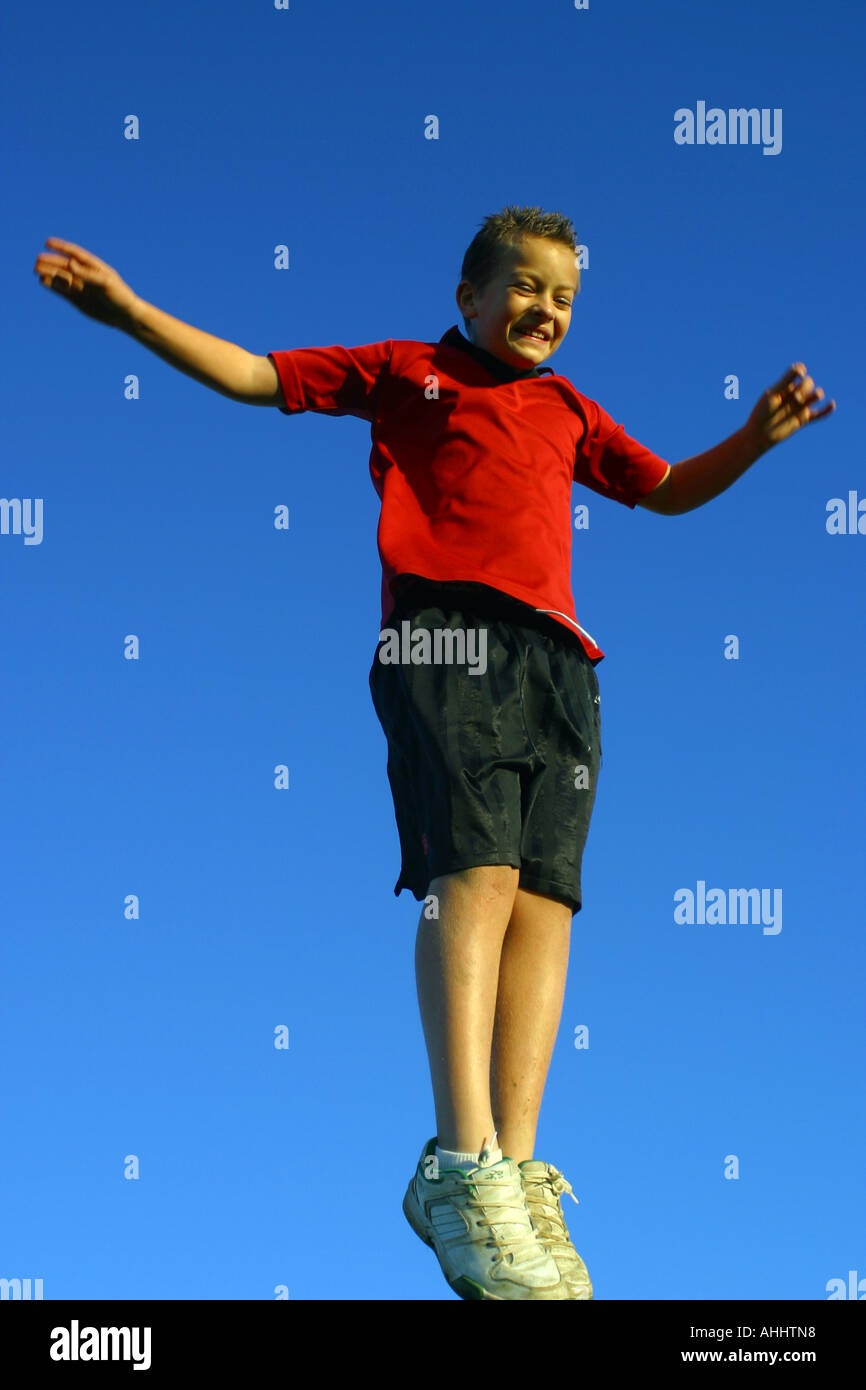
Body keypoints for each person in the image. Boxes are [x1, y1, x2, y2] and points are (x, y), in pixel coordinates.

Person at [33, 206, 835, 1301]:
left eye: (562, 294)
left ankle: (511, 1165)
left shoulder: (565, 407)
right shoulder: (407, 371)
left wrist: (752, 438)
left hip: (560, 662)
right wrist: (129, 316)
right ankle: (457, 1163)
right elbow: (257, 376)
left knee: (545, 902)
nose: (542, 306)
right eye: (520, 284)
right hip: (444, 634)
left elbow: (662, 489)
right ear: (465, 296)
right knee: (477, 874)